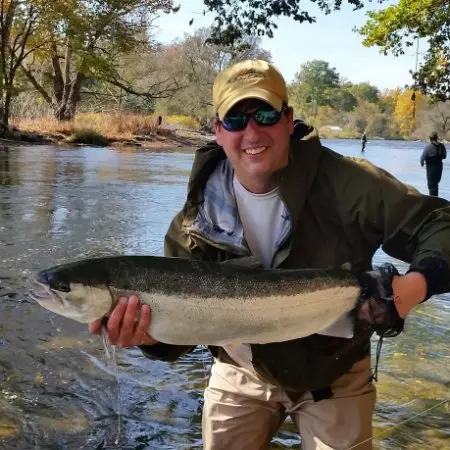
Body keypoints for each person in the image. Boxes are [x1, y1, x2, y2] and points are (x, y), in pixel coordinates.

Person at [89, 60, 450, 450]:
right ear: (217, 130)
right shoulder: (196, 220)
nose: (252, 131)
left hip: (336, 374)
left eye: (264, 114)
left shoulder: (351, 184)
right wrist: (146, 335)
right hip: (239, 371)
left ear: (288, 119)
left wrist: (411, 288)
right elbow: (177, 341)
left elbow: (439, 224)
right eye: (235, 120)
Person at [420, 131, 447, 196]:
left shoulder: (428, 147)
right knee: (436, 184)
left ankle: (433, 199)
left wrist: (422, 164)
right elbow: (444, 156)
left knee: (431, 185)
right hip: (439, 167)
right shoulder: (442, 146)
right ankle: (436, 198)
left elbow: (422, 158)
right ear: (436, 138)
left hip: (431, 168)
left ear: (430, 138)